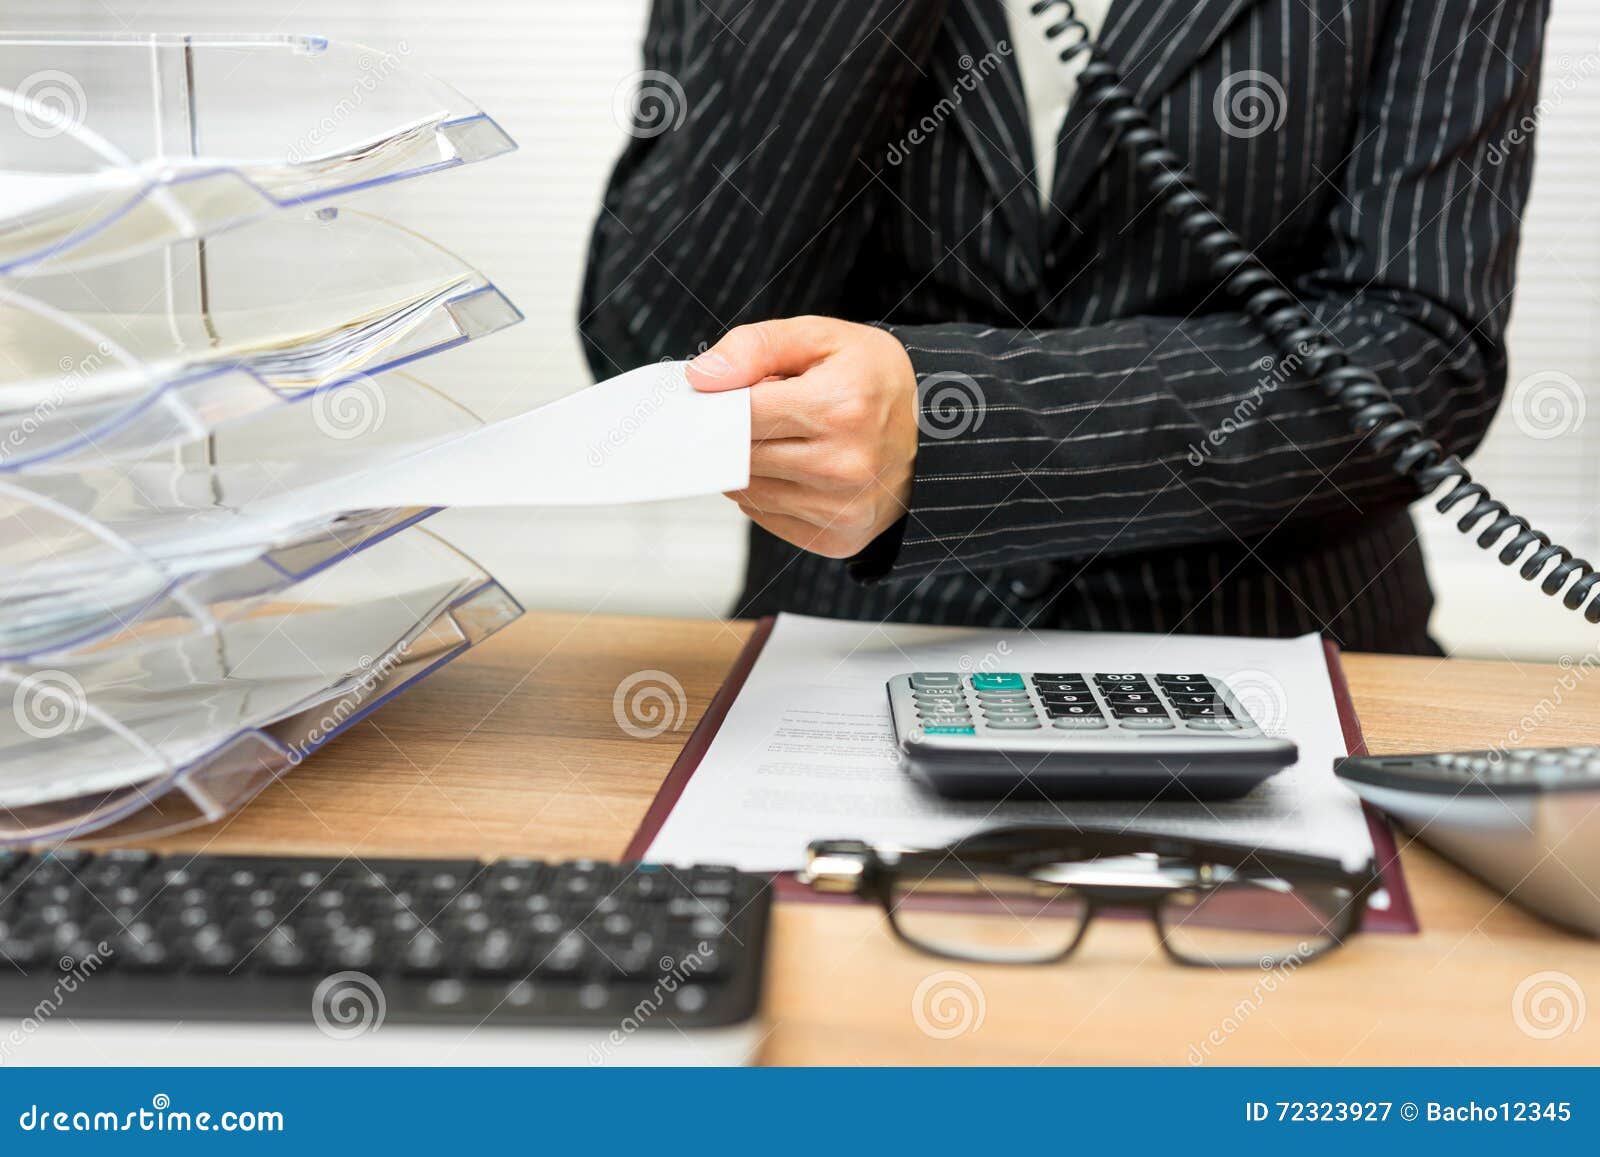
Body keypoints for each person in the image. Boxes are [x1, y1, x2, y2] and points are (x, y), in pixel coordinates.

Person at [579, 0, 1548, 655]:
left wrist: (957, 427)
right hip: (845, 658)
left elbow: (1419, 355)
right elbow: (658, 341)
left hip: (1277, 645)